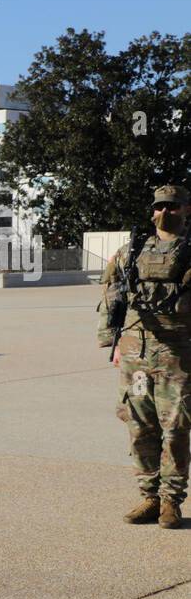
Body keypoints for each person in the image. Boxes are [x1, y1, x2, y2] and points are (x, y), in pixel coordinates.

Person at [98, 184, 191, 529]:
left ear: (186, 210)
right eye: (160, 206)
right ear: (152, 211)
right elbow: (111, 295)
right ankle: (149, 495)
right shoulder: (130, 251)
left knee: (176, 428)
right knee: (140, 427)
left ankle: (171, 501)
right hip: (136, 355)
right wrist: (112, 341)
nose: (165, 212)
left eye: (173, 206)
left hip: (177, 355)